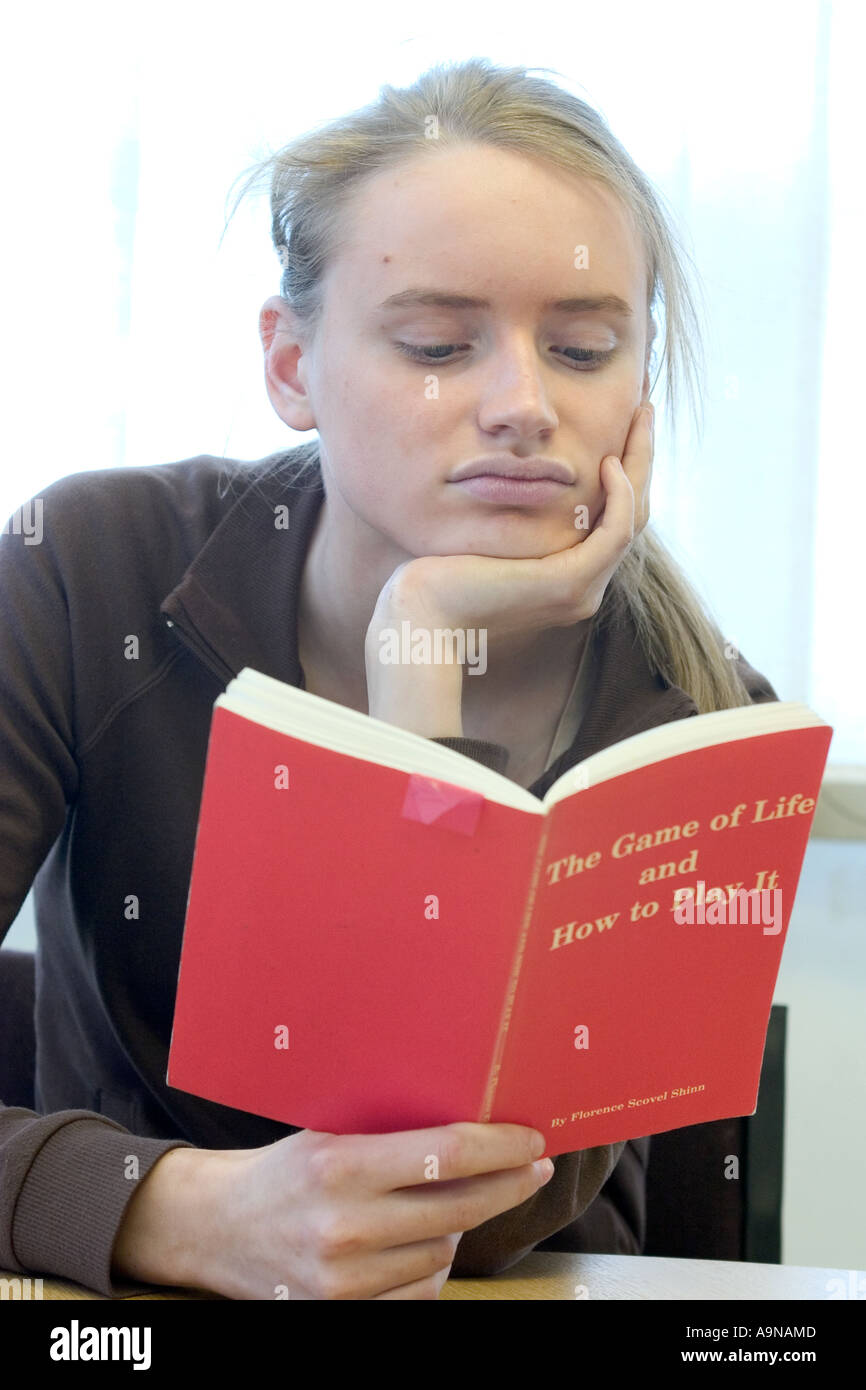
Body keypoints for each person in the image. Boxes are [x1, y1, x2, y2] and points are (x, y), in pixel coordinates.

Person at [0, 57, 777, 1301]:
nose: (523, 405)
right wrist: (166, 1208)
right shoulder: (83, 573)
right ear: (291, 364)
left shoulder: (691, 718)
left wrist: (421, 661)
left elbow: (449, 1222)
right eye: (434, 342)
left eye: (581, 349)